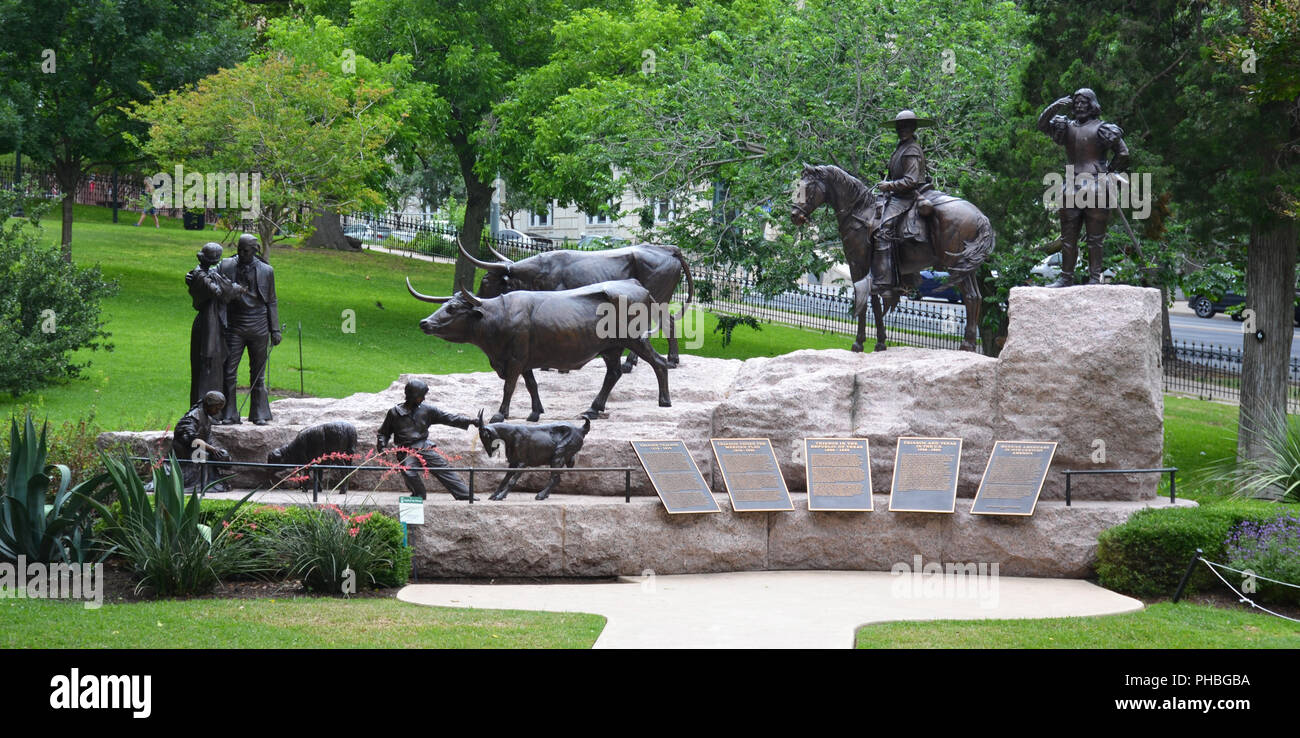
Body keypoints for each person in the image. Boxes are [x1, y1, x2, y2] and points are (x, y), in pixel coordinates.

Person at [1037, 88, 1130, 287]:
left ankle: (1094, 278)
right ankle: (1066, 277)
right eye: (1076, 102)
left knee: (1095, 238)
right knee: (1068, 237)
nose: (1079, 106)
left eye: (1084, 102)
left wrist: (1109, 171)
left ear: (1092, 104)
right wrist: (1054, 107)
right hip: (1071, 187)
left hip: (1097, 187)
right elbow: (1042, 125)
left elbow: (1123, 153)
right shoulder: (1066, 126)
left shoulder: (1104, 128)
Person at [376, 379, 477, 500]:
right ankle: (419, 494)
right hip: (407, 451)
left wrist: (470, 421)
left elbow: (448, 418)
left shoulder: (427, 410)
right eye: (421, 396)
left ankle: (465, 495)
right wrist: (382, 446)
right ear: (412, 396)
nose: (423, 399)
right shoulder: (394, 413)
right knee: (408, 471)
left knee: (443, 469)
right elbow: (383, 433)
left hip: (425, 447)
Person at [217, 234, 280, 425]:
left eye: (246, 250)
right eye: (239, 250)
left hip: (259, 326)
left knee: (258, 373)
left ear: (255, 250)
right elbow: (211, 277)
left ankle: (259, 413)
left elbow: (272, 300)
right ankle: (229, 413)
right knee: (228, 371)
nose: (242, 254)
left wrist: (275, 329)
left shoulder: (266, 271)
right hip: (235, 326)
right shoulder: (227, 265)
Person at [874, 110, 935, 296]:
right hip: (897, 195)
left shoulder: (911, 150)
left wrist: (888, 186)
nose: (902, 130)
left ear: (913, 128)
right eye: (900, 127)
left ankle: (886, 282)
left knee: (883, 231)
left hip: (907, 197)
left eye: (906, 126)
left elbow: (910, 180)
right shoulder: (901, 148)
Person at [185, 243, 243, 405]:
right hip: (208, 326)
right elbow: (218, 291)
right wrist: (233, 288)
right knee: (206, 365)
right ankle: (204, 409)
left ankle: (214, 410)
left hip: (212, 323)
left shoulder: (204, 273)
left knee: (214, 367)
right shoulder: (202, 276)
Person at [171, 390, 233, 491]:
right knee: (205, 455)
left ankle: (212, 481)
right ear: (209, 405)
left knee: (222, 455)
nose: (218, 412)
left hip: (198, 451)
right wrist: (212, 449)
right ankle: (203, 485)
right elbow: (192, 440)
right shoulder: (191, 419)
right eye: (216, 408)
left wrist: (218, 450)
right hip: (186, 455)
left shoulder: (206, 418)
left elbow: (208, 438)